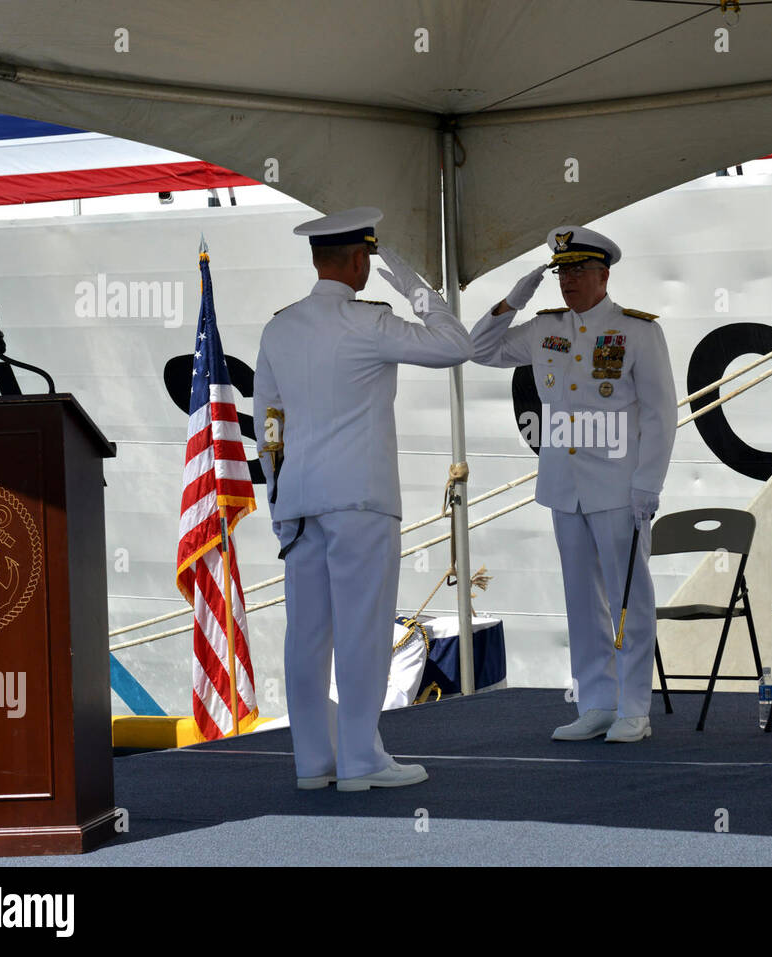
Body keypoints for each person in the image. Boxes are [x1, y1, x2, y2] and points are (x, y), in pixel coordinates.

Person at [252, 207, 472, 790]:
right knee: (363, 630)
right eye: (370, 260)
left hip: (297, 502)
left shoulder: (279, 327)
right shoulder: (369, 322)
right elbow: (455, 345)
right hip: (360, 500)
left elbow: (267, 423)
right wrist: (413, 285)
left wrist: (279, 497)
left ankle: (312, 763)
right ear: (358, 260)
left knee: (307, 634)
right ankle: (359, 760)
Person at [470, 226, 676, 742]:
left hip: (619, 487)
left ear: (604, 274)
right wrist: (512, 299)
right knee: (582, 601)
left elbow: (660, 414)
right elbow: (479, 350)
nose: (569, 281)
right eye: (562, 271)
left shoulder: (637, 332)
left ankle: (633, 708)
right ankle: (597, 703)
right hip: (565, 486)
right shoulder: (544, 330)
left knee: (629, 599)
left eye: (580, 270)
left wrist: (648, 483)